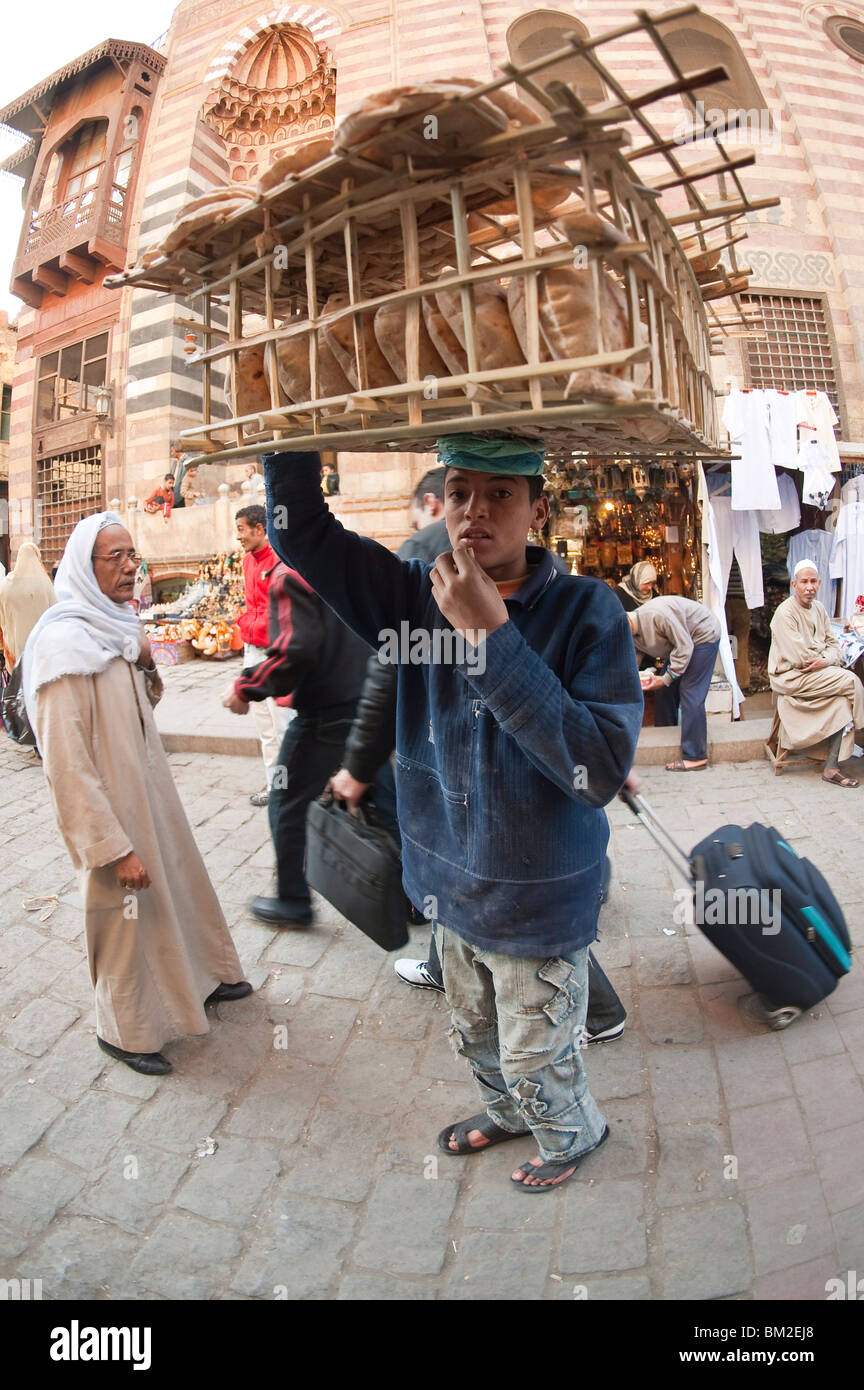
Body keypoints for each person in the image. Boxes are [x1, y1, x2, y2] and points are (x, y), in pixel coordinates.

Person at [262, 435, 642, 1192]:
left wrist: (491, 635)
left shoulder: (587, 612)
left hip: (539, 897)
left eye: (502, 494)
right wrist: (296, 437)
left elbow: (595, 771)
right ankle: (507, 1113)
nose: (476, 511)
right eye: (462, 491)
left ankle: (572, 1135)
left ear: (538, 510)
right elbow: (302, 532)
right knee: (475, 1034)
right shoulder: (413, 594)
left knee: (540, 1051)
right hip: (446, 887)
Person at [21, 513, 250, 1076]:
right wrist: (111, 846)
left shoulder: (117, 628)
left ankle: (205, 978)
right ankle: (124, 1030)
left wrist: (147, 664)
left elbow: (142, 710)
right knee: (122, 921)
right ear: (83, 566)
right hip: (112, 812)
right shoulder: (61, 646)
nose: (131, 568)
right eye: (115, 557)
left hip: (152, 795)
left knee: (179, 886)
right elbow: (66, 764)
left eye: (133, 555)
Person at [223, 558, 372, 925]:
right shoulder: (343, 561)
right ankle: (410, 898)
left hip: (325, 711)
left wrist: (246, 687)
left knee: (284, 797)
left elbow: (296, 650)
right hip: (371, 701)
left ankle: (293, 900)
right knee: (377, 794)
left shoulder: (290, 574)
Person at [768, 558, 864, 788]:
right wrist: (825, 655)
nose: (809, 586)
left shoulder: (819, 609)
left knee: (843, 700)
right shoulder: (785, 614)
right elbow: (801, 659)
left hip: (816, 672)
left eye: (813, 581)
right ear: (794, 585)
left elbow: (835, 647)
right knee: (851, 681)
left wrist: (826, 657)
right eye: (804, 582)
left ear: (819, 583)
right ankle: (862, 729)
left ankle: (831, 768)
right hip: (791, 677)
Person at [235, 503, 293, 806]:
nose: (239, 537)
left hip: (276, 653)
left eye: (242, 530)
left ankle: (292, 788)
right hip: (253, 652)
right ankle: (274, 786)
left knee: (283, 724)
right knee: (266, 728)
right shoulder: (247, 562)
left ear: (260, 529)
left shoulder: (280, 561)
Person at [627, 596, 721, 772]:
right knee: (664, 691)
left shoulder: (657, 616)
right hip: (680, 645)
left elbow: (685, 647)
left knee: (690, 693)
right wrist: (632, 679)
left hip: (702, 636)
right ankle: (666, 735)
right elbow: (635, 655)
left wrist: (665, 679)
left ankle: (696, 756)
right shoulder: (630, 630)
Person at [0, 542, 57, 669]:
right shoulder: (45, 585)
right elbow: (55, 617)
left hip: (14, 657)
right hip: (40, 655)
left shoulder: (6, 585)